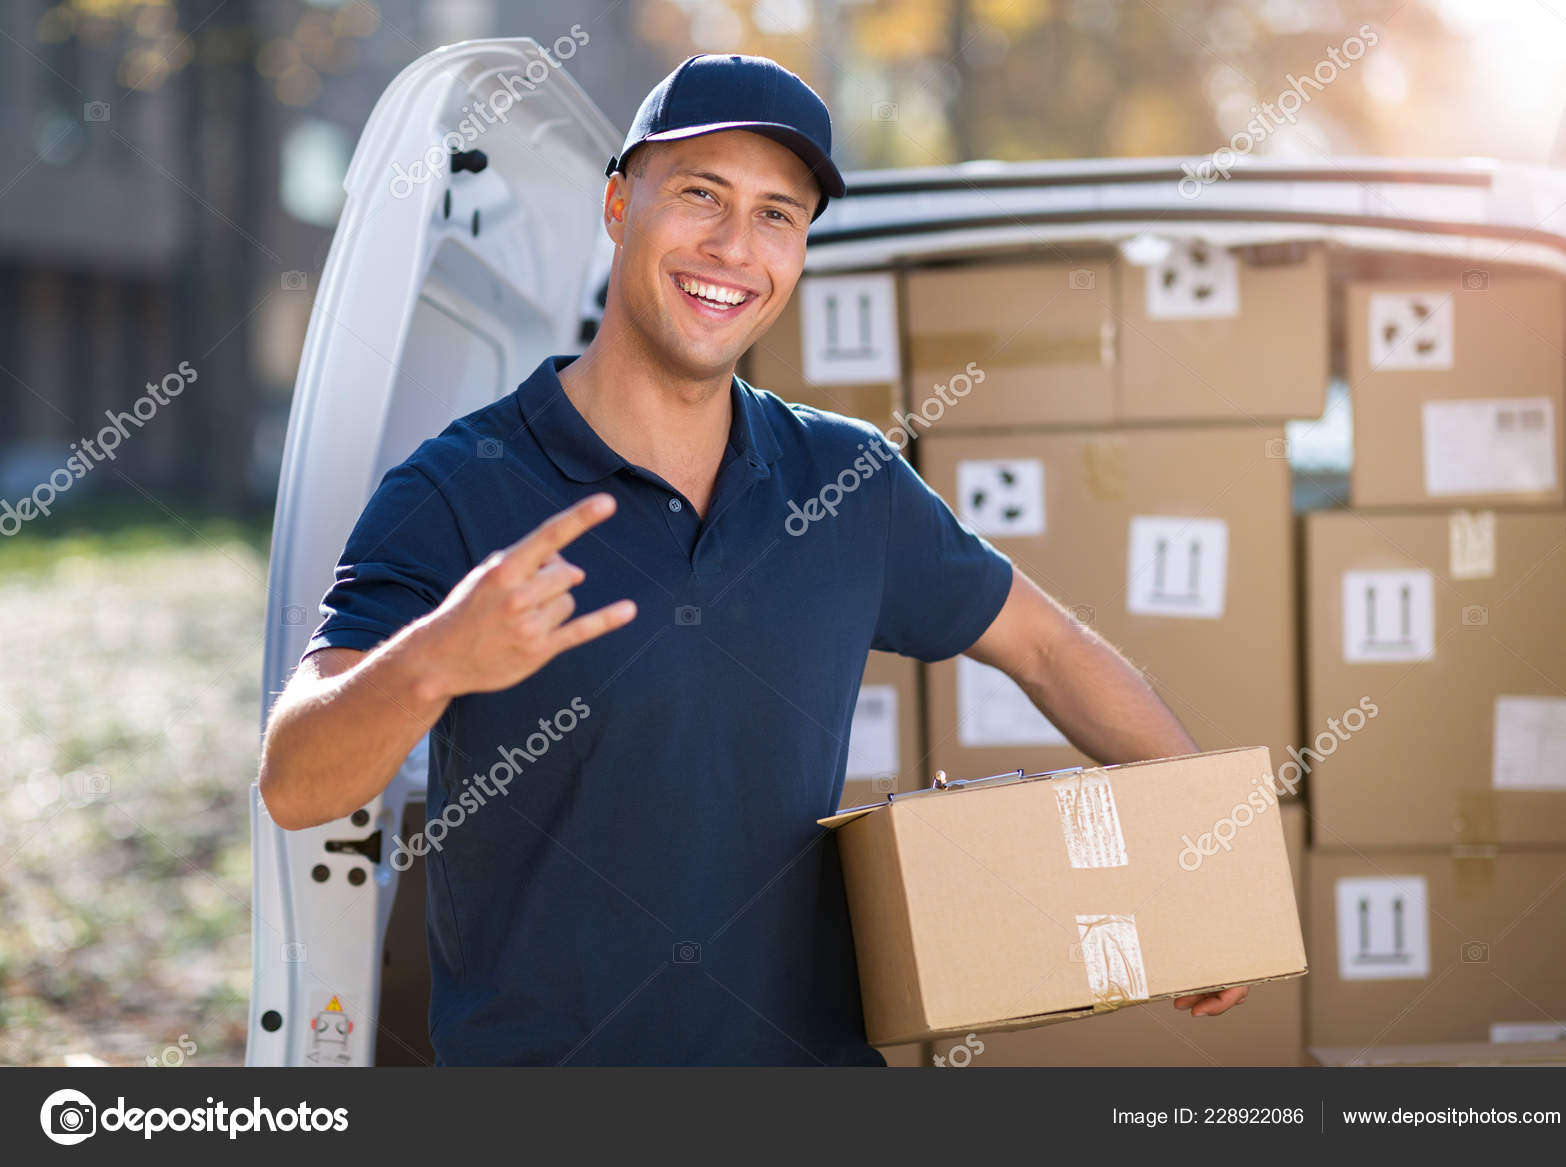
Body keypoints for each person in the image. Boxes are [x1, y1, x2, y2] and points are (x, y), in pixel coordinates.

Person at [257, 52, 1244, 1067]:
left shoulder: (846, 481)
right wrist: (434, 661)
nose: (734, 247)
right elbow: (294, 784)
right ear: (615, 205)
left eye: (778, 215)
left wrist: (1207, 863)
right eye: (699, 195)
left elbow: (1046, 647)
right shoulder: (459, 488)